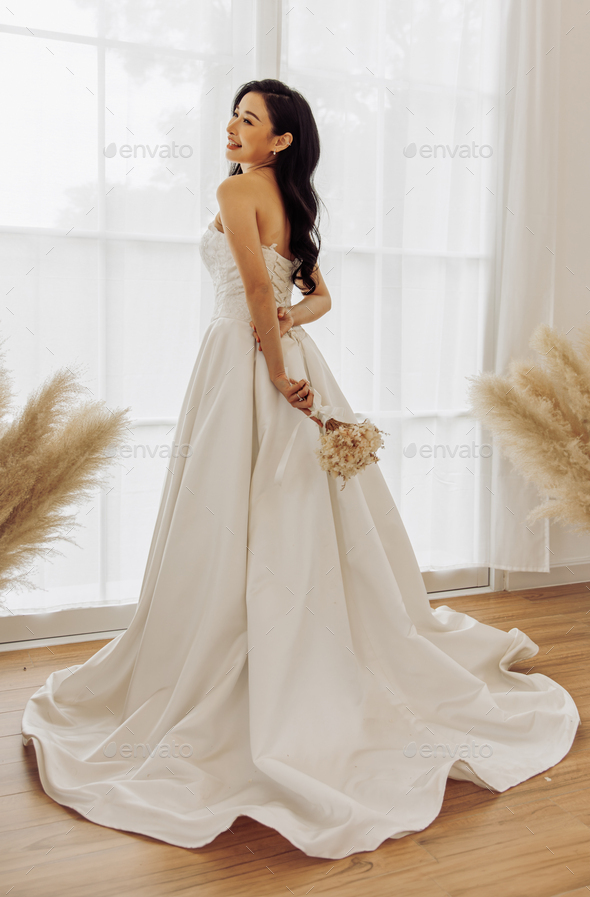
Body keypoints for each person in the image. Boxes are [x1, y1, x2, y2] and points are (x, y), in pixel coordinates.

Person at [21, 78, 579, 861]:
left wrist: (277, 363)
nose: (233, 126)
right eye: (235, 114)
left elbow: (255, 285)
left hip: (245, 360)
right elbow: (311, 297)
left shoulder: (237, 187)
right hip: (279, 351)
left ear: (279, 140)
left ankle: (243, 640)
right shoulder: (289, 199)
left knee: (238, 500)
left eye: (250, 120)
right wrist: (287, 325)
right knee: (290, 504)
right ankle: (288, 636)